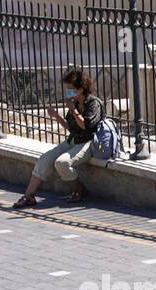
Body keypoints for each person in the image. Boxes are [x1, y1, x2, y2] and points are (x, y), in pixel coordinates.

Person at [12, 68, 103, 209]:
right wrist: (56, 116)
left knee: (62, 163)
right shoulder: (74, 102)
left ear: (81, 88)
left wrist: (73, 110)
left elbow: (86, 126)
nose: (68, 91)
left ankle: (79, 189)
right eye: (67, 88)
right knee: (44, 159)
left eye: (71, 89)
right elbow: (71, 127)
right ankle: (29, 196)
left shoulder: (93, 103)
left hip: (88, 142)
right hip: (73, 140)